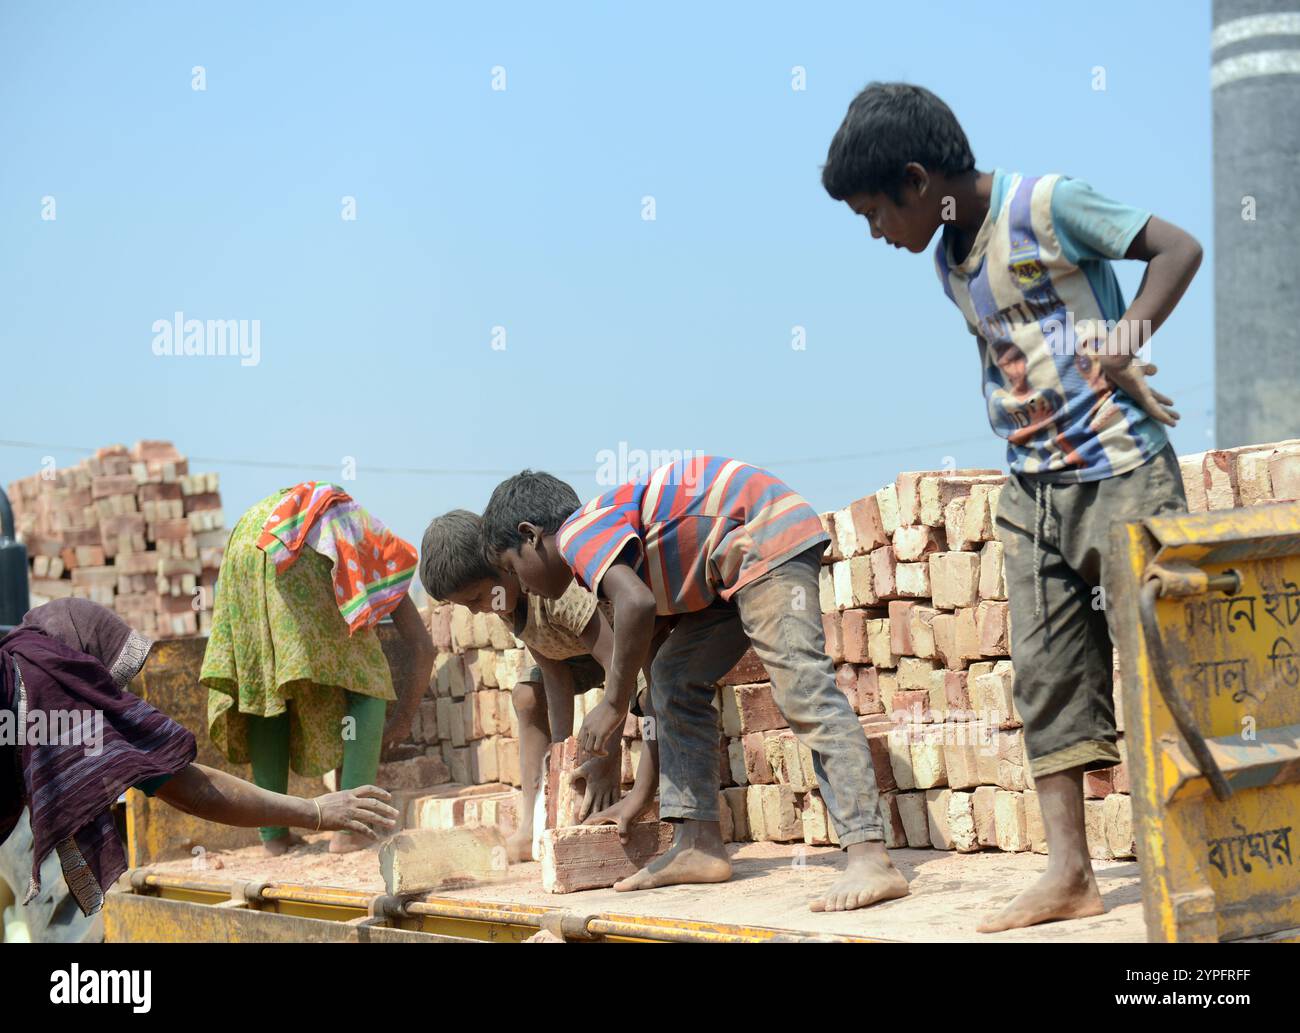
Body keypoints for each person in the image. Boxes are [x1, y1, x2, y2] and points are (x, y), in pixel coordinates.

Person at [821, 82, 1201, 932]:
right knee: (1046, 676)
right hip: (1031, 486)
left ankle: (1193, 853)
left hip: (1121, 469)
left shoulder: (1047, 204)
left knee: (1160, 667)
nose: (878, 233)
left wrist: (1123, 339)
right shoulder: (947, 261)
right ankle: (1071, 871)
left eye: (876, 212)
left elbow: (1176, 247)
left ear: (918, 179)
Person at [481, 458, 910, 913]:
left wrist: (612, 703)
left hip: (763, 535)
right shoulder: (613, 561)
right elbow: (653, 681)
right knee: (673, 677)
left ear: (531, 535)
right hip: (724, 574)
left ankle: (869, 854)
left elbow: (637, 605)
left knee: (803, 689)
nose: (521, 587)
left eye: (512, 568)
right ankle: (697, 844)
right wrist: (639, 794)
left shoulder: (578, 533)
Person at [0, 598, 398, 917]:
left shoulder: (24, 673)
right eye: (104, 685)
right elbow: (190, 788)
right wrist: (314, 810)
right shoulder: (53, 697)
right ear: (77, 670)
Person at [202, 482, 434, 855]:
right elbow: (424, 646)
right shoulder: (381, 555)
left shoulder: (358, 538)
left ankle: (273, 837)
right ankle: (351, 832)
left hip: (246, 542)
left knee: (264, 687)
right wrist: (403, 717)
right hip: (300, 542)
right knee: (368, 678)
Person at [418, 509, 663, 862]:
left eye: (475, 599)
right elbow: (553, 674)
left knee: (648, 697)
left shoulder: (552, 588)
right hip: (574, 658)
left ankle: (650, 794)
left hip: (622, 650)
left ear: (502, 567)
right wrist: (563, 762)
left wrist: (606, 761)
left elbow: (614, 665)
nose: (475, 612)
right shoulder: (503, 602)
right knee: (526, 696)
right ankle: (533, 819)